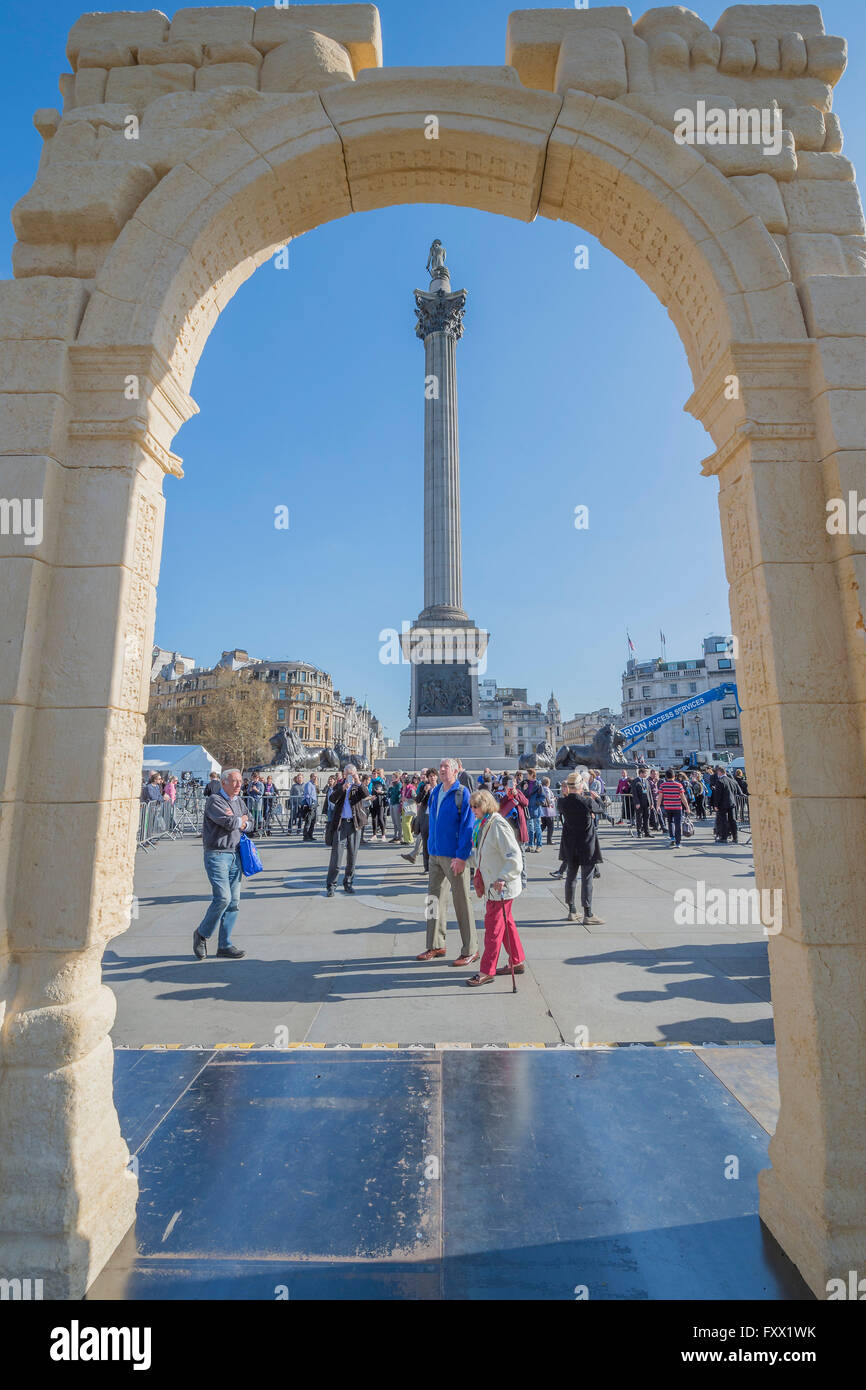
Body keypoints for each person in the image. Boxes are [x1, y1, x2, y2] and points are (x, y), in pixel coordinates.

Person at [416, 757, 478, 966]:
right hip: (434, 854)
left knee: (462, 902)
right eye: (440, 767)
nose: (442, 770)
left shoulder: (462, 793)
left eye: (446, 767)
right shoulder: (435, 792)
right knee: (433, 900)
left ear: (455, 771)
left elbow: (468, 828)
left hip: (454, 857)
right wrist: (430, 849)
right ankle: (435, 944)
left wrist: (461, 856)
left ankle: (470, 949)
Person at [466, 789, 526, 987]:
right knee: (507, 923)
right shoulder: (484, 824)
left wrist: (503, 877)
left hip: (501, 886)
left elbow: (514, 856)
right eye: (471, 806)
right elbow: (483, 855)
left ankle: (486, 970)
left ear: (486, 806)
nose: (473, 810)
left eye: (476, 806)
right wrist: (462, 860)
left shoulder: (497, 825)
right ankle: (516, 960)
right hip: (495, 884)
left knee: (493, 928)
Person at [193, 767, 249, 960]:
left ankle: (224, 944)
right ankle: (202, 934)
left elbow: (250, 822)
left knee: (234, 902)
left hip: (235, 854)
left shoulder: (239, 801)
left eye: (240, 781)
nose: (239, 785)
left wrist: (241, 820)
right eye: (234, 781)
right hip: (217, 854)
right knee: (223, 898)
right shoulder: (215, 800)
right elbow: (230, 823)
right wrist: (238, 820)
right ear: (224, 782)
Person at [558, 770, 605, 925]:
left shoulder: (562, 802)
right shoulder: (586, 801)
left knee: (571, 876)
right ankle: (588, 913)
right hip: (586, 843)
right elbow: (601, 808)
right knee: (587, 878)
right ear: (580, 785)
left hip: (570, 844)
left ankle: (572, 910)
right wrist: (597, 798)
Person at [325, 764, 370, 896]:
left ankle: (348, 883)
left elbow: (366, 794)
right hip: (341, 824)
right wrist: (342, 789)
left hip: (354, 825)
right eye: (347, 774)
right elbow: (332, 799)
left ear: (356, 774)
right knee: (336, 857)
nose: (349, 776)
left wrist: (358, 782)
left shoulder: (358, 786)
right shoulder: (339, 785)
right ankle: (331, 885)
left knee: (352, 856)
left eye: (352, 773)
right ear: (344, 774)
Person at [658, 767, 690, 847]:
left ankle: (672, 837)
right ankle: (678, 842)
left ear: (666, 776)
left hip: (668, 807)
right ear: (674, 776)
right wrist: (687, 807)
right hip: (677, 807)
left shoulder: (662, 785)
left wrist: (658, 806)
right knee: (678, 824)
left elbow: (660, 797)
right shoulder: (678, 785)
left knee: (670, 822)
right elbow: (683, 797)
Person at [711, 764, 739, 844]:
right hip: (732, 803)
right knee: (732, 820)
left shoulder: (720, 781)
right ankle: (735, 837)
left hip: (722, 804)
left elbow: (718, 795)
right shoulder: (732, 781)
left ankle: (724, 837)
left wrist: (715, 805)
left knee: (723, 820)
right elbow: (736, 791)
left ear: (719, 772)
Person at [523, 767, 544, 853]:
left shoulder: (538, 784)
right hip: (528, 809)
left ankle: (539, 845)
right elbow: (524, 796)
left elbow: (542, 797)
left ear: (532, 775)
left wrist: (536, 802)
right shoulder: (526, 783)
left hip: (535, 809)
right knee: (530, 828)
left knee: (537, 827)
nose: (526, 775)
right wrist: (524, 789)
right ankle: (530, 845)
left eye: (527, 774)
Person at [631, 767, 652, 838]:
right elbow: (634, 793)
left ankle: (647, 832)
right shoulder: (635, 781)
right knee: (639, 818)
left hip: (647, 802)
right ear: (641, 773)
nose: (646, 774)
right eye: (645, 773)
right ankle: (639, 832)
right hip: (639, 803)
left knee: (646, 818)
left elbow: (649, 793)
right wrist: (637, 803)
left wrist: (651, 803)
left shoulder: (647, 781)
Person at [368, 770, 387, 839]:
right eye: (373, 773)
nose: (374, 775)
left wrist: (381, 792)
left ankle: (383, 835)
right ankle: (374, 834)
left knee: (380, 818)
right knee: (373, 819)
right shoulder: (370, 782)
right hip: (372, 802)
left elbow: (386, 791)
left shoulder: (381, 781)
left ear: (378, 774)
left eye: (375, 773)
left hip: (380, 802)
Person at [247, 770, 265, 837]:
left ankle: (258, 829)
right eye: (253, 777)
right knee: (251, 815)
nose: (255, 779)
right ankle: (252, 829)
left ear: (258, 778)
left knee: (258, 815)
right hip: (251, 801)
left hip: (258, 801)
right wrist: (250, 790)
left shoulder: (260, 784)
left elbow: (261, 793)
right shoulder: (250, 783)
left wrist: (256, 790)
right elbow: (248, 792)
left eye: (256, 778)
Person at [302, 771, 318, 840]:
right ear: (311, 777)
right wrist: (310, 804)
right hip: (310, 804)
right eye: (314, 776)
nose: (315, 778)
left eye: (316, 777)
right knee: (308, 821)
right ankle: (305, 836)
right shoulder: (308, 784)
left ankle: (310, 835)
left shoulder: (314, 785)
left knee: (313, 821)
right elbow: (308, 795)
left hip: (314, 803)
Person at [540, 776, 556, 845]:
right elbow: (549, 800)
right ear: (547, 783)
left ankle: (535, 836)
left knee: (544, 825)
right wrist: (554, 799)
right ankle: (549, 840)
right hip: (548, 809)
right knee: (551, 826)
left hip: (543, 809)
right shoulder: (547, 789)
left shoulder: (541, 789)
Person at [387, 774, 403, 841]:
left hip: (396, 804)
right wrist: (390, 788)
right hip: (392, 804)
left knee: (398, 821)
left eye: (393, 777)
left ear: (397, 778)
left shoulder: (399, 784)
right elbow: (388, 794)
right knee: (394, 821)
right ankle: (395, 836)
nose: (392, 778)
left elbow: (396, 794)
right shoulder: (392, 785)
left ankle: (400, 836)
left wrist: (391, 788)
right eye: (392, 777)